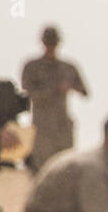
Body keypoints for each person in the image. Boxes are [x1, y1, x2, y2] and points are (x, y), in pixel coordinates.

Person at [19, 25, 88, 173]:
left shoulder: (68, 67)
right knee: (40, 171)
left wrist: (71, 87)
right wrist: (55, 89)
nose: (51, 46)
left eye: (53, 42)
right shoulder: (32, 67)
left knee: (66, 171)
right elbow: (30, 93)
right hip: (42, 128)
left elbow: (84, 91)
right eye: (48, 42)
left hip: (62, 127)